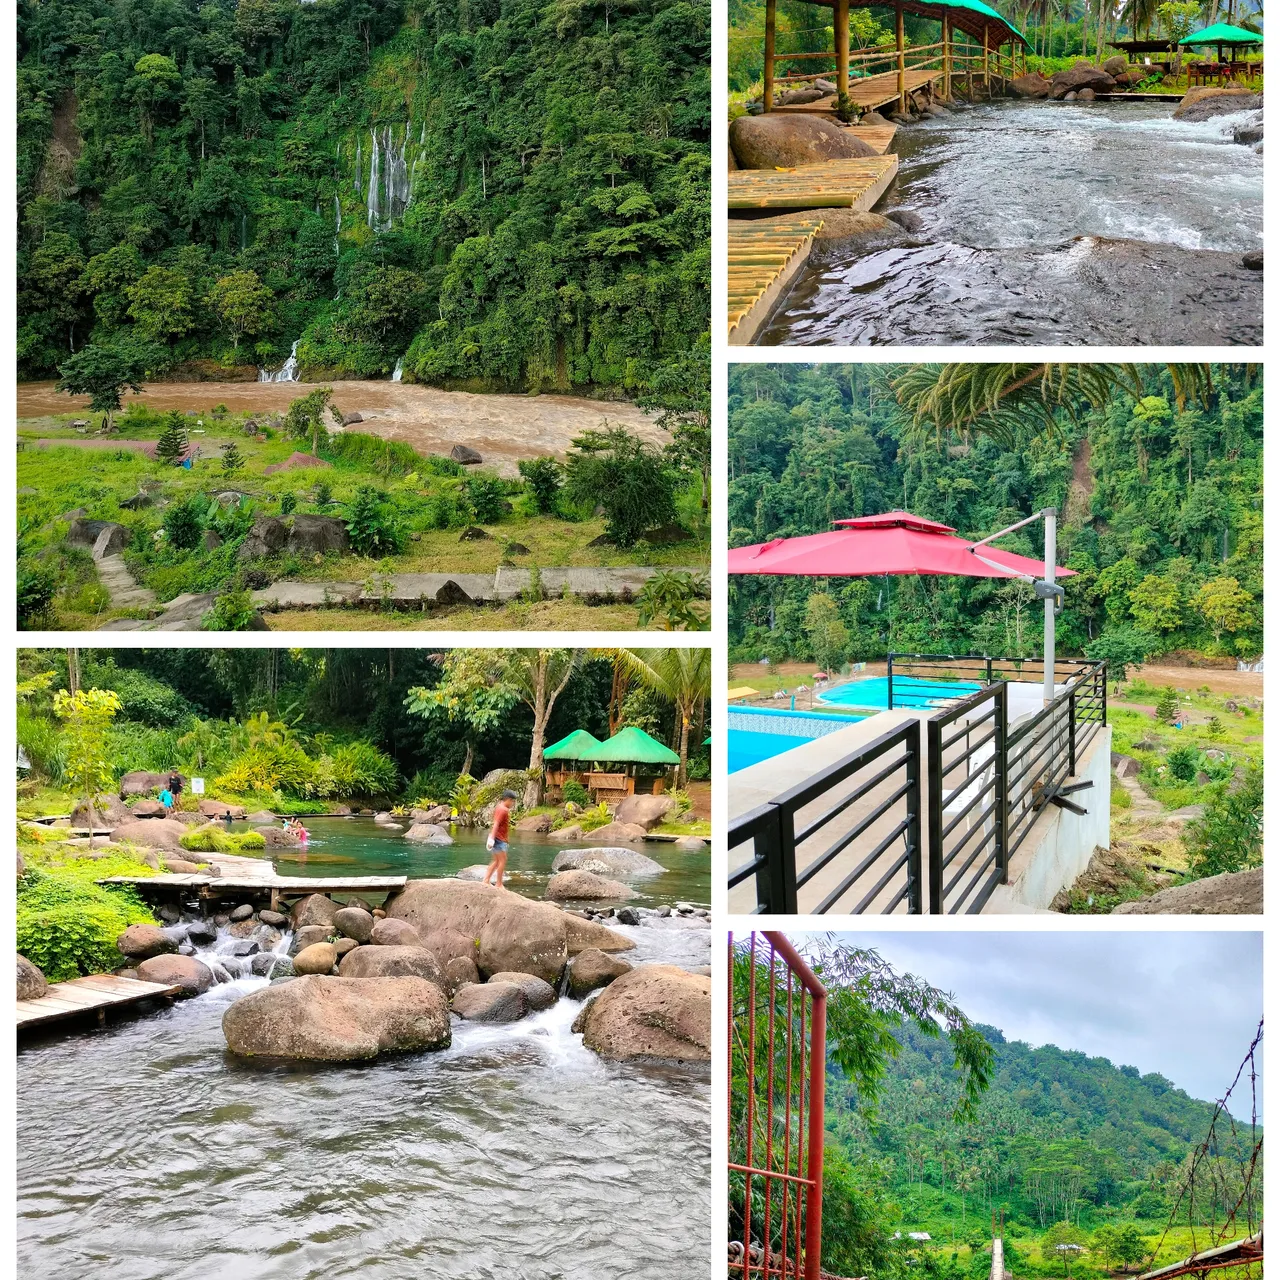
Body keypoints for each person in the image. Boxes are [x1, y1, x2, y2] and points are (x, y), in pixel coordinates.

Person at [483, 791, 518, 889]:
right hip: (499, 839)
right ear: (508, 799)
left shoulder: (499, 807)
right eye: (512, 801)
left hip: (497, 838)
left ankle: (486, 880)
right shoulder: (503, 810)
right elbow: (496, 824)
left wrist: (491, 838)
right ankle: (499, 884)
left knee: (496, 861)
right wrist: (491, 839)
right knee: (502, 861)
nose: (512, 804)